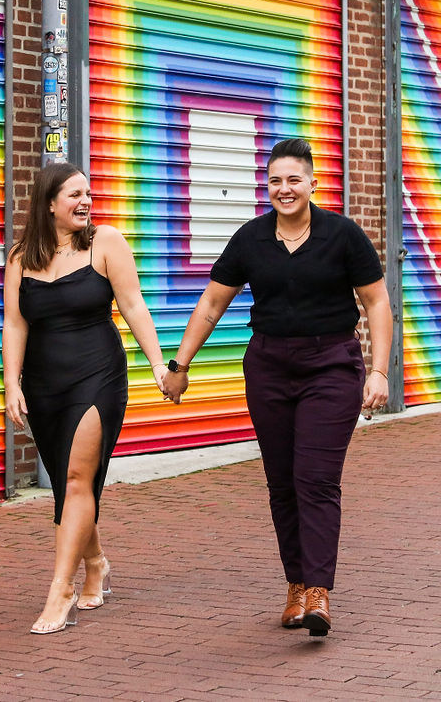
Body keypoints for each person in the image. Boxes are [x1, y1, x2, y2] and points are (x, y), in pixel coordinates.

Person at [162, 138, 393, 637]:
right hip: (268, 366)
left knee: (315, 477)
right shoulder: (250, 239)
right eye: (275, 181)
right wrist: (179, 364)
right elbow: (210, 306)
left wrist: (378, 371)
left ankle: (318, 592)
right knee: (282, 481)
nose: (284, 189)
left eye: (293, 179)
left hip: (331, 364)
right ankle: (294, 586)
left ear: (313, 182)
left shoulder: (342, 235)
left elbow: (377, 302)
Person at [3, 161, 172, 635]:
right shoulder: (21, 257)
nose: (85, 202)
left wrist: (158, 364)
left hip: (97, 376)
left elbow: (133, 304)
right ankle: (95, 560)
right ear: (49, 203)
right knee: (67, 484)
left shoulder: (106, 243)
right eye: (74, 195)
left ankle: (61, 591)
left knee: (78, 478)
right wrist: (12, 383)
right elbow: (15, 323)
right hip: (43, 383)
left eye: (88, 194)